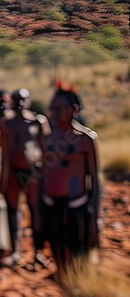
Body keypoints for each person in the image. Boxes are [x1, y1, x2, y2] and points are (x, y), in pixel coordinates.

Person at [41, 86, 100, 273]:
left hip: (77, 205)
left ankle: (78, 282)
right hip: (51, 204)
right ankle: (63, 277)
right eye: (53, 108)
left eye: (61, 108)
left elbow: (94, 180)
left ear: (74, 109)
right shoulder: (46, 139)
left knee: (78, 249)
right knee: (57, 245)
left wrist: (95, 216)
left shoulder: (85, 139)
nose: (56, 113)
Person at [1, 88, 49, 266]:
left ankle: (38, 250)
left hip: (33, 170)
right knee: (13, 210)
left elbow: (45, 147)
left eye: (23, 99)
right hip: (14, 170)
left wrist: (45, 169)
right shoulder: (8, 124)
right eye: (16, 99)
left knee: (35, 209)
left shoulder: (37, 121)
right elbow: (4, 151)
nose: (20, 103)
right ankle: (15, 249)